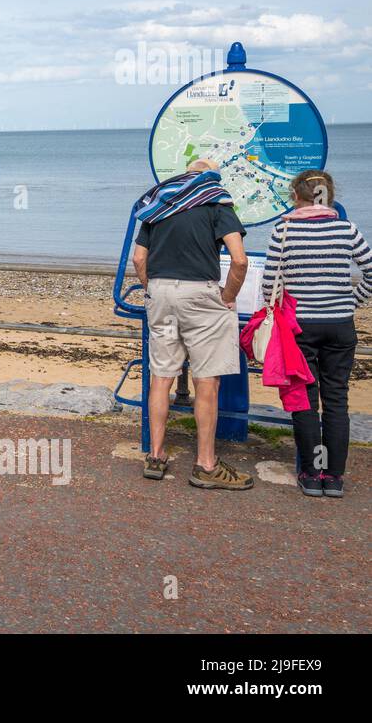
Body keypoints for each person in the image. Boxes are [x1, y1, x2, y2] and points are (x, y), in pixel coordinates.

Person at [131, 159, 254, 490]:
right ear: (209, 176)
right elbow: (240, 260)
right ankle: (205, 464)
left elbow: (139, 259)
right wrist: (227, 297)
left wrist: (152, 290)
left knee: (162, 376)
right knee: (206, 381)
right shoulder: (216, 201)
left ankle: (155, 456)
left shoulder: (162, 203)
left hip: (163, 300)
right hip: (202, 303)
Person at [261, 170, 371, 498]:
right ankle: (334, 478)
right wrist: (350, 301)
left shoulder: (284, 230)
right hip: (339, 325)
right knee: (337, 399)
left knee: (306, 399)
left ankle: (311, 474)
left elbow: (270, 285)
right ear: (329, 195)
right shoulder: (346, 229)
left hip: (301, 327)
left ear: (297, 196)